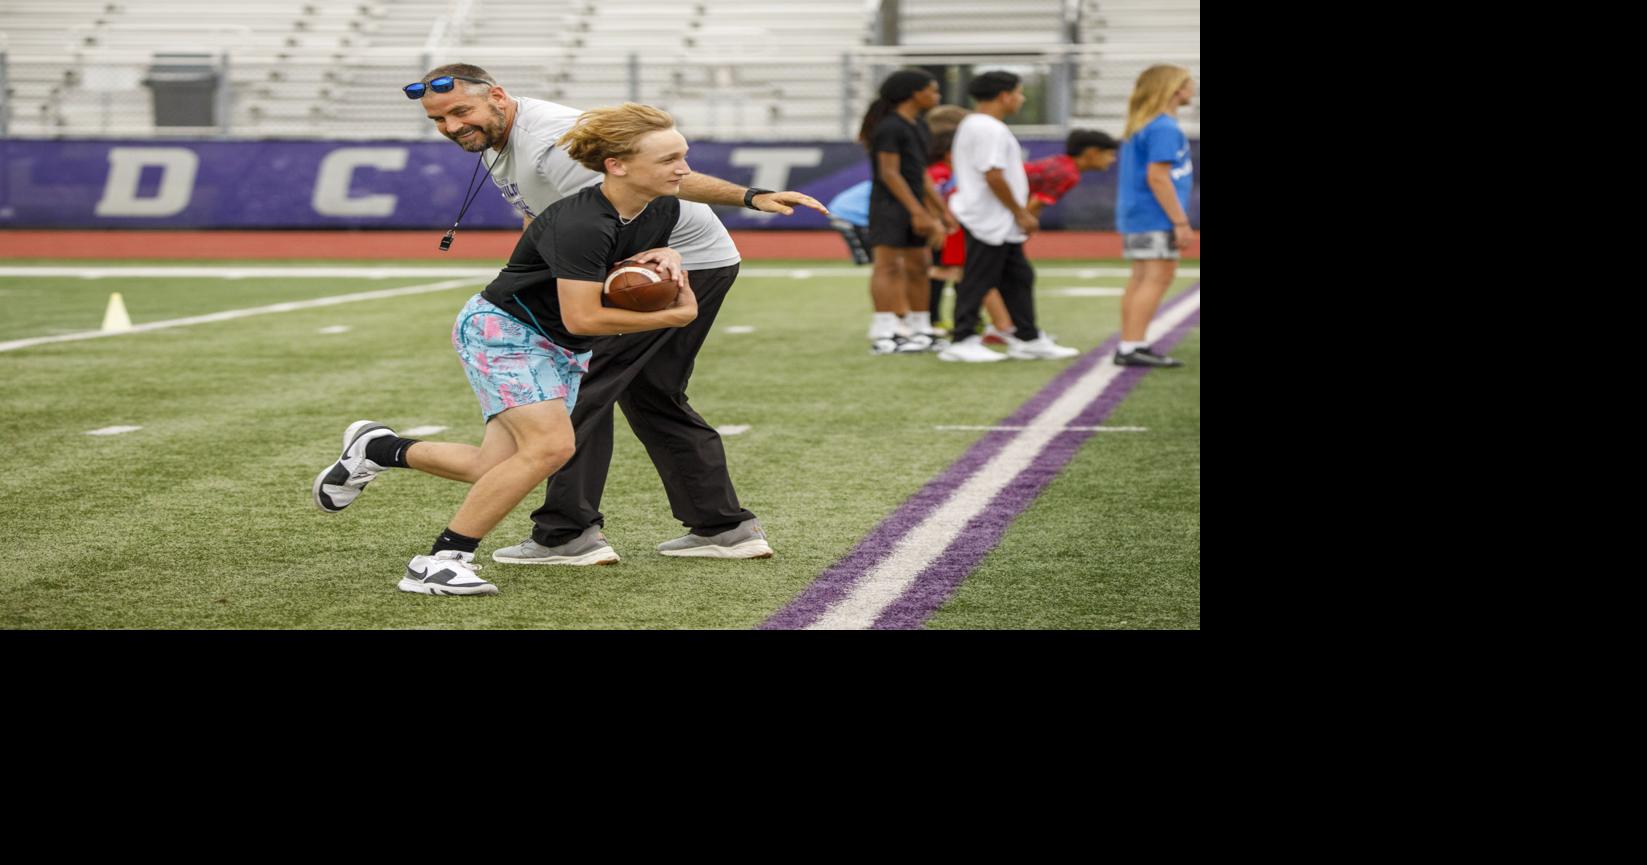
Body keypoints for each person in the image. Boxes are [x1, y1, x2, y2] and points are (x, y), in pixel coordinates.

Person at [396, 65, 827, 566]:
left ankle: (567, 532)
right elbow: (545, 217)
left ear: (496, 96)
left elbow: (664, 175)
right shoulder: (499, 136)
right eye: (438, 120)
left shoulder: (551, 141)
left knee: (578, 387)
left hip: (666, 262)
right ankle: (723, 527)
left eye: (459, 112)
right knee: (653, 393)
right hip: (673, 260)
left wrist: (748, 197)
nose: (451, 127)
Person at [312, 103, 700, 595]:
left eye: (682, 155)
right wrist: (674, 316)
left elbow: (615, 269)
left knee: (491, 466)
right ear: (616, 165)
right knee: (551, 447)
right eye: (669, 159)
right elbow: (584, 315)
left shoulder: (660, 204)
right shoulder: (581, 221)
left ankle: (377, 448)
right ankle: (439, 561)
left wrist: (669, 251)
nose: (684, 168)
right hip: (506, 332)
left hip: (558, 342)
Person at [937, 71, 1078, 363]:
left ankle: (1027, 337)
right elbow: (993, 175)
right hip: (989, 217)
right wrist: (1021, 212)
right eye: (1019, 92)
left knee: (1019, 276)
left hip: (993, 216)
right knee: (978, 278)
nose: (1021, 99)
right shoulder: (989, 128)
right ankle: (963, 339)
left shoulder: (976, 125)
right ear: (1005, 95)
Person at [980, 129, 1121, 343]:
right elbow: (1035, 203)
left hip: (996, 209)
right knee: (993, 273)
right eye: (1109, 154)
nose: (1113, 160)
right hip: (992, 211)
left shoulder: (1062, 165)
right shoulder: (1068, 173)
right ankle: (999, 327)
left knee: (1004, 274)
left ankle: (1004, 326)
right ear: (1091, 153)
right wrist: (1021, 227)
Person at [859, 69, 954, 354]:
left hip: (913, 206)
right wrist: (918, 211)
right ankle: (884, 333)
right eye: (932, 90)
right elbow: (890, 174)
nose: (936, 96)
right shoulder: (889, 127)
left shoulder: (920, 125)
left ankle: (920, 328)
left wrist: (940, 209)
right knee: (887, 266)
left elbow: (920, 173)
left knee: (918, 267)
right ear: (915, 93)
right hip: (889, 206)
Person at [1114, 65, 1196, 367]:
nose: (1193, 89)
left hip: (1141, 213)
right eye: (1188, 83)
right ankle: (1132, 344)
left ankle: (1131, 342)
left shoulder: (1147, 124)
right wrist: (1180, 221)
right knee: (1157, 277)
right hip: (1154, 214)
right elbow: (1158, 177)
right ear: (1175, 89)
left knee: (1141, 277)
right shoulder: (1164, 127)